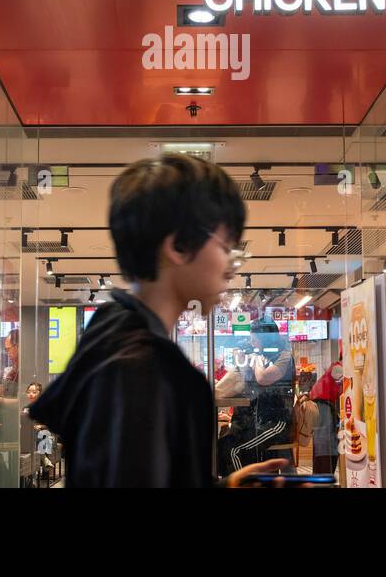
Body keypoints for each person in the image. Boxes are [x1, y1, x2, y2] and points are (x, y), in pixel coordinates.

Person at [29, 154, 288, 487]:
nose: (231, 264)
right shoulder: (139, 367)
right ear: (179, 246)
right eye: (226, 246)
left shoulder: (115, 340)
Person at [227, 319, 296, 472]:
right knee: (224, 446)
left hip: (277, 422)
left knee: (236, 451)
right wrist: (240, 356)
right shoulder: (263, 356)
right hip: (259, 420)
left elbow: (263, 378)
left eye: (254, 338)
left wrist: (256, 358)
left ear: (265, 338)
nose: (251, 342)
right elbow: (247, 378)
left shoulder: (284, 357)